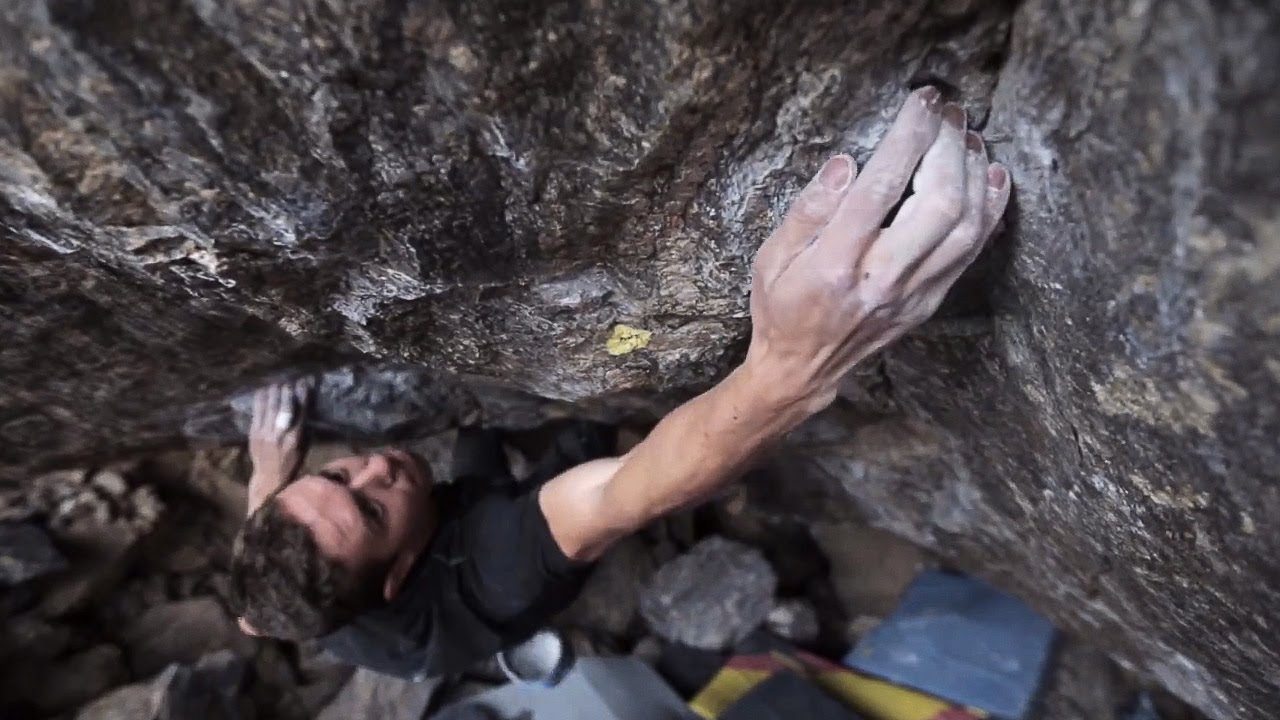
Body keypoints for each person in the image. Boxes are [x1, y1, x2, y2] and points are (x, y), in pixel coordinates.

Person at [230, 88, 1010, 679]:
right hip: (491, 571)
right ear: (399, 573)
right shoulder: (498, 564)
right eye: (370, 505)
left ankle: (450, 460)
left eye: (335, 470)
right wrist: (790, 370)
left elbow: (254, 612)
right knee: (580, 439)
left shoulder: (290, 593)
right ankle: (589, 420)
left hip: (416, 544)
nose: (378, 465)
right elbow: (628, 492)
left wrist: (271, 471)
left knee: (474, 437)